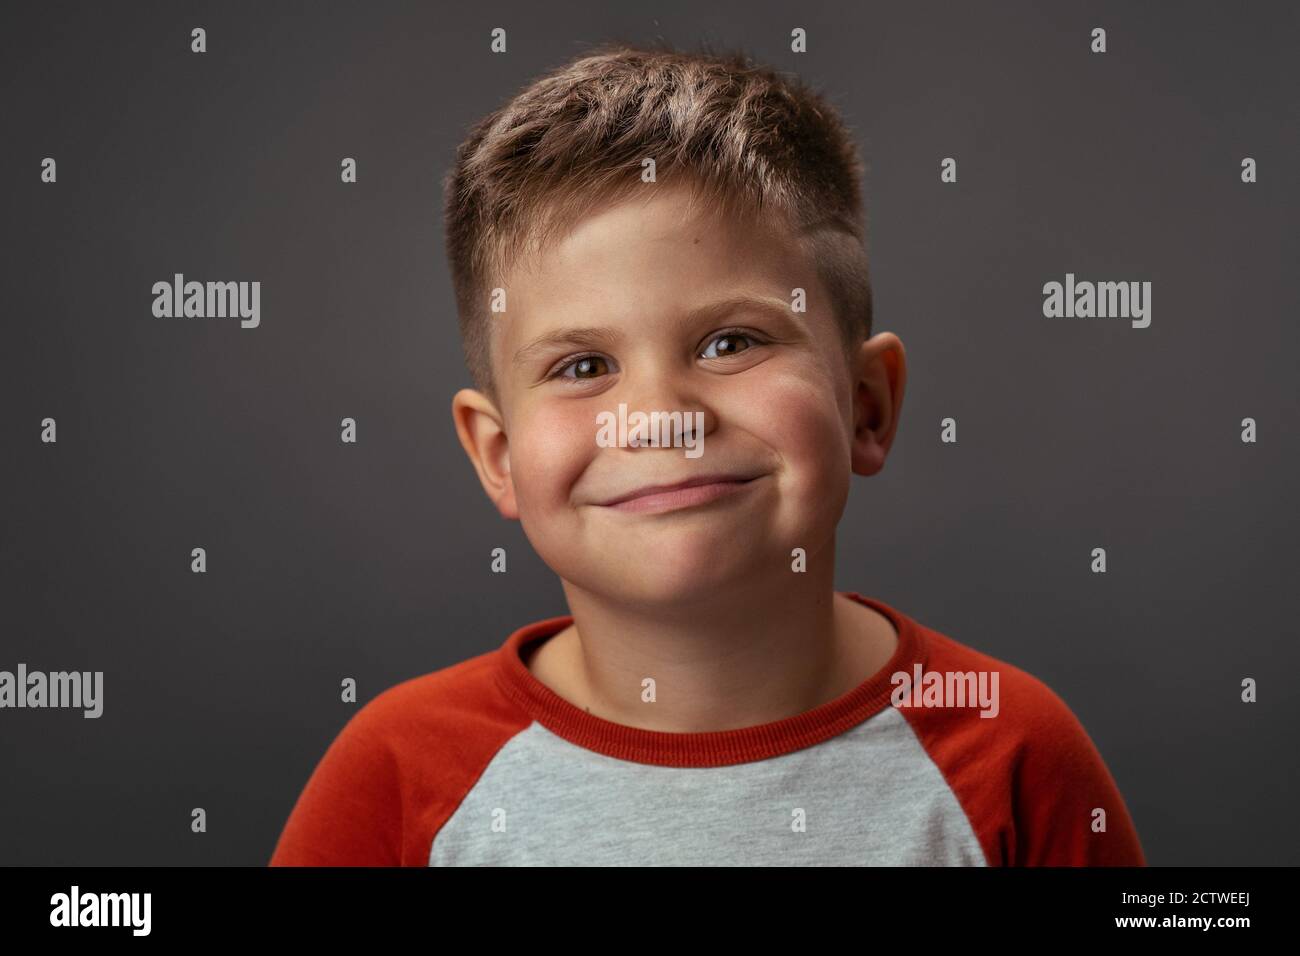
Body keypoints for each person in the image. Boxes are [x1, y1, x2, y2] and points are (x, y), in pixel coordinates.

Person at [270, 42, 1145, 867]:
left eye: (730, 343)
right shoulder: (396, 770)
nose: (658, 418)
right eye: (583, 367)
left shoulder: (1012, 746)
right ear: (498, 456)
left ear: (868, 405)